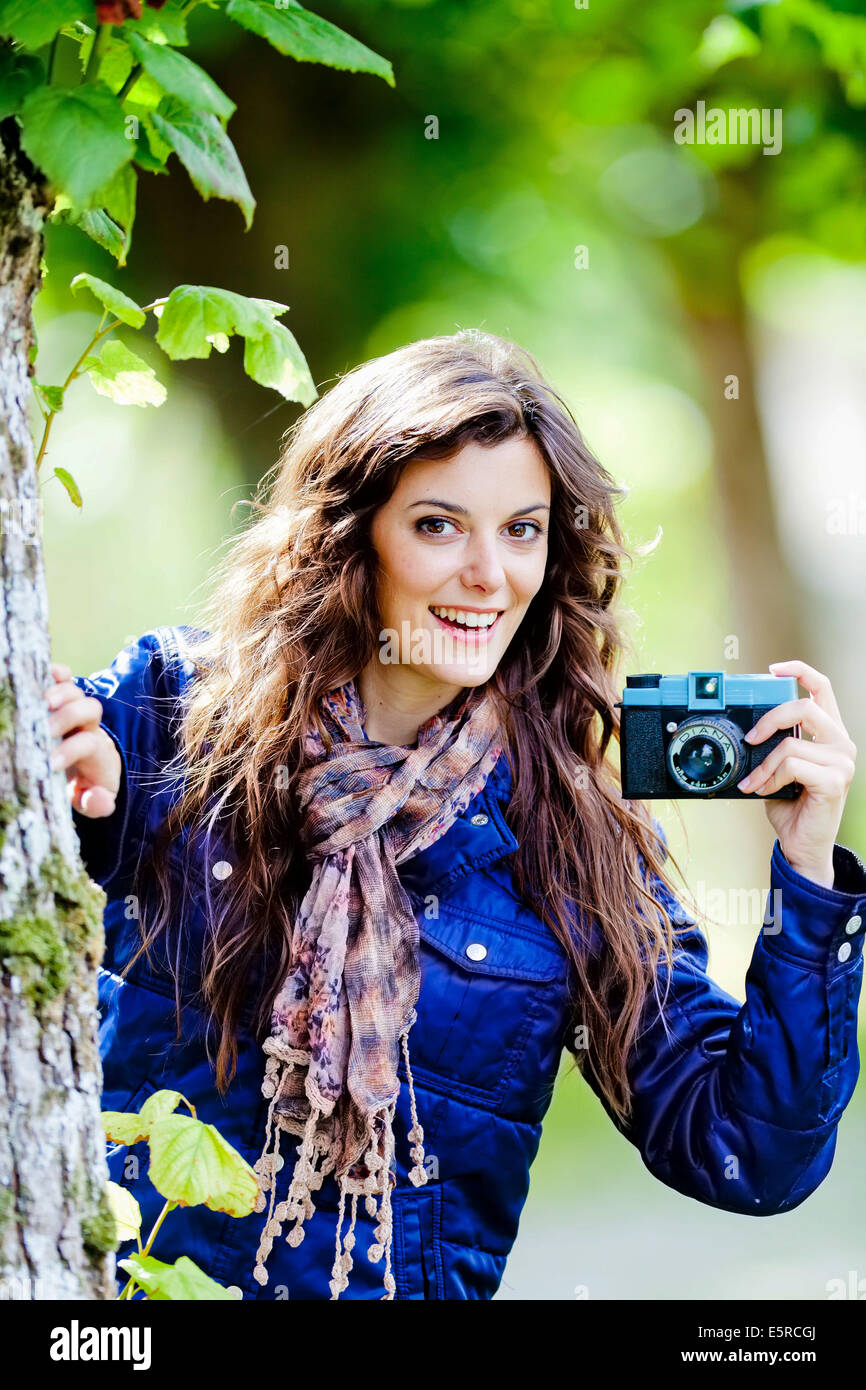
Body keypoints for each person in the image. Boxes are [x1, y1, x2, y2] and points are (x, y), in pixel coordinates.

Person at [46, 330, 865, 1301]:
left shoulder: (568, 836)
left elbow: (743, 1152)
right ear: (352, 534)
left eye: (522, 529)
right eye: (439, 524)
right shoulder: (167, 712)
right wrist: (66, 801)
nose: (489, 573)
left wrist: (809, 874)